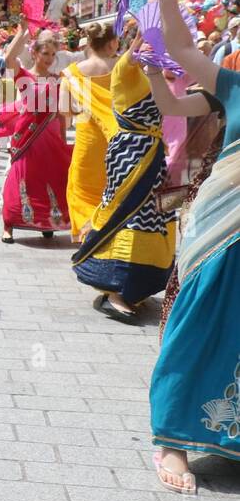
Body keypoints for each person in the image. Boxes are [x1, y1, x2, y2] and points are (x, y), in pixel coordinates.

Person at [141, 0, 240, 493]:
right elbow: (181, 51)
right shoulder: (232, 83)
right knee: (199, 318)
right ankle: (172, 438)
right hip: (226, 223)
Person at [70, 39, 177, 323]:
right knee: (127, 213)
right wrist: (144, 34)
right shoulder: (125, 70)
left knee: (154, 216)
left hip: (153, 153)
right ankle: (115, 289)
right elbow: (130, 57)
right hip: (130, 154)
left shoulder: (153, 75)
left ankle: (137, 285)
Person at [0, 27, 72, 243]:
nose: (50, 59)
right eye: (45, 53)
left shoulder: (58, 79)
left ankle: (46, 221)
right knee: (20, 176)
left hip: (50, 135)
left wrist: (62, 138)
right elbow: (9, 57)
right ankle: (9, 224)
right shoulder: (24, 75)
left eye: (53, 54)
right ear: (34, 53)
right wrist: (23, 32)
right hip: (26, 134)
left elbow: (59, 113)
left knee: (49, 177)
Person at [61, 22, 121, 241]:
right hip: (119, 141)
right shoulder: (124, 67)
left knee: (83, 192)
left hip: (87, 139)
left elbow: (65, 112)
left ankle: (89, 238)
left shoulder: (72, 73)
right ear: (113, 43)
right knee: (114, 191)